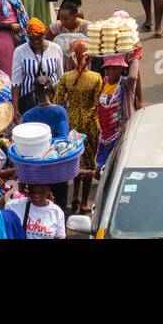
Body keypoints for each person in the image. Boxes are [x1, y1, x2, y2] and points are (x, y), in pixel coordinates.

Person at [54, 39, 101, 213]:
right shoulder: (96, 78)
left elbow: (57, 102)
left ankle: (74, 197)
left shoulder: (66, 78)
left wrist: (69, 99)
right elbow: (98, 104)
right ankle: (84, 203)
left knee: (74, 160)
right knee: (89, 164)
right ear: (88, 58)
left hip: (71, 125)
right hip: (90, 125)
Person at [11, 19, 64, 114]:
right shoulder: (19, 51)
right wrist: (15, 109)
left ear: (44, 35)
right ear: (27, 37)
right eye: (32, 39)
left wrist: (61, 103)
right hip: (29, 102)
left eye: (39, 38)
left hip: (52, 101)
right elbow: (16, 82)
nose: (35, 42)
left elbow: (61, 78)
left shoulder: (56, 49)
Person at [94, 54, 131, 173]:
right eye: (108, 68)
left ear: (122, 69)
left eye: (115, 68)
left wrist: (136, 55)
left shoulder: (124, 84)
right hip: (103, 133)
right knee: (100, 169)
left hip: (117, 132)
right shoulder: (104, 82)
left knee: (114, 167)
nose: (111, 71)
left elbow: (134, 78)